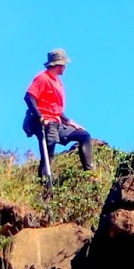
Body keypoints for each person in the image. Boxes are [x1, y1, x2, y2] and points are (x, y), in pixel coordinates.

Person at [23, 48, 93, 188]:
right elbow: (29, 97)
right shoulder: (42, 78)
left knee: (84, 136)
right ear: (59, 65)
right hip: (46, 123)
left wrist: (69, 121)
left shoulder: (57, 82)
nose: (65, 67)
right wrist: (40, 117)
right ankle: (45, 190)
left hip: (57, 122)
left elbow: (55, 108)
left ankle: (89, 172)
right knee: (48, 156)